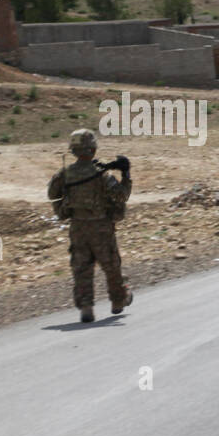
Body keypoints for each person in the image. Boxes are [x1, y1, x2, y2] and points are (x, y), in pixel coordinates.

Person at [46, 129, 133, 324]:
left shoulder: (65, 173)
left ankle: (86, 307)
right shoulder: (102, 174)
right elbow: (122, 195)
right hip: (102, 227)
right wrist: (126, 172)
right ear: (93, 149)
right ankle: (118, 301)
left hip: (78, 227)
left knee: (81, 268)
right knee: (111, 265)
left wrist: (64, 207)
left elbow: (52, 193)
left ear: (73, 151)